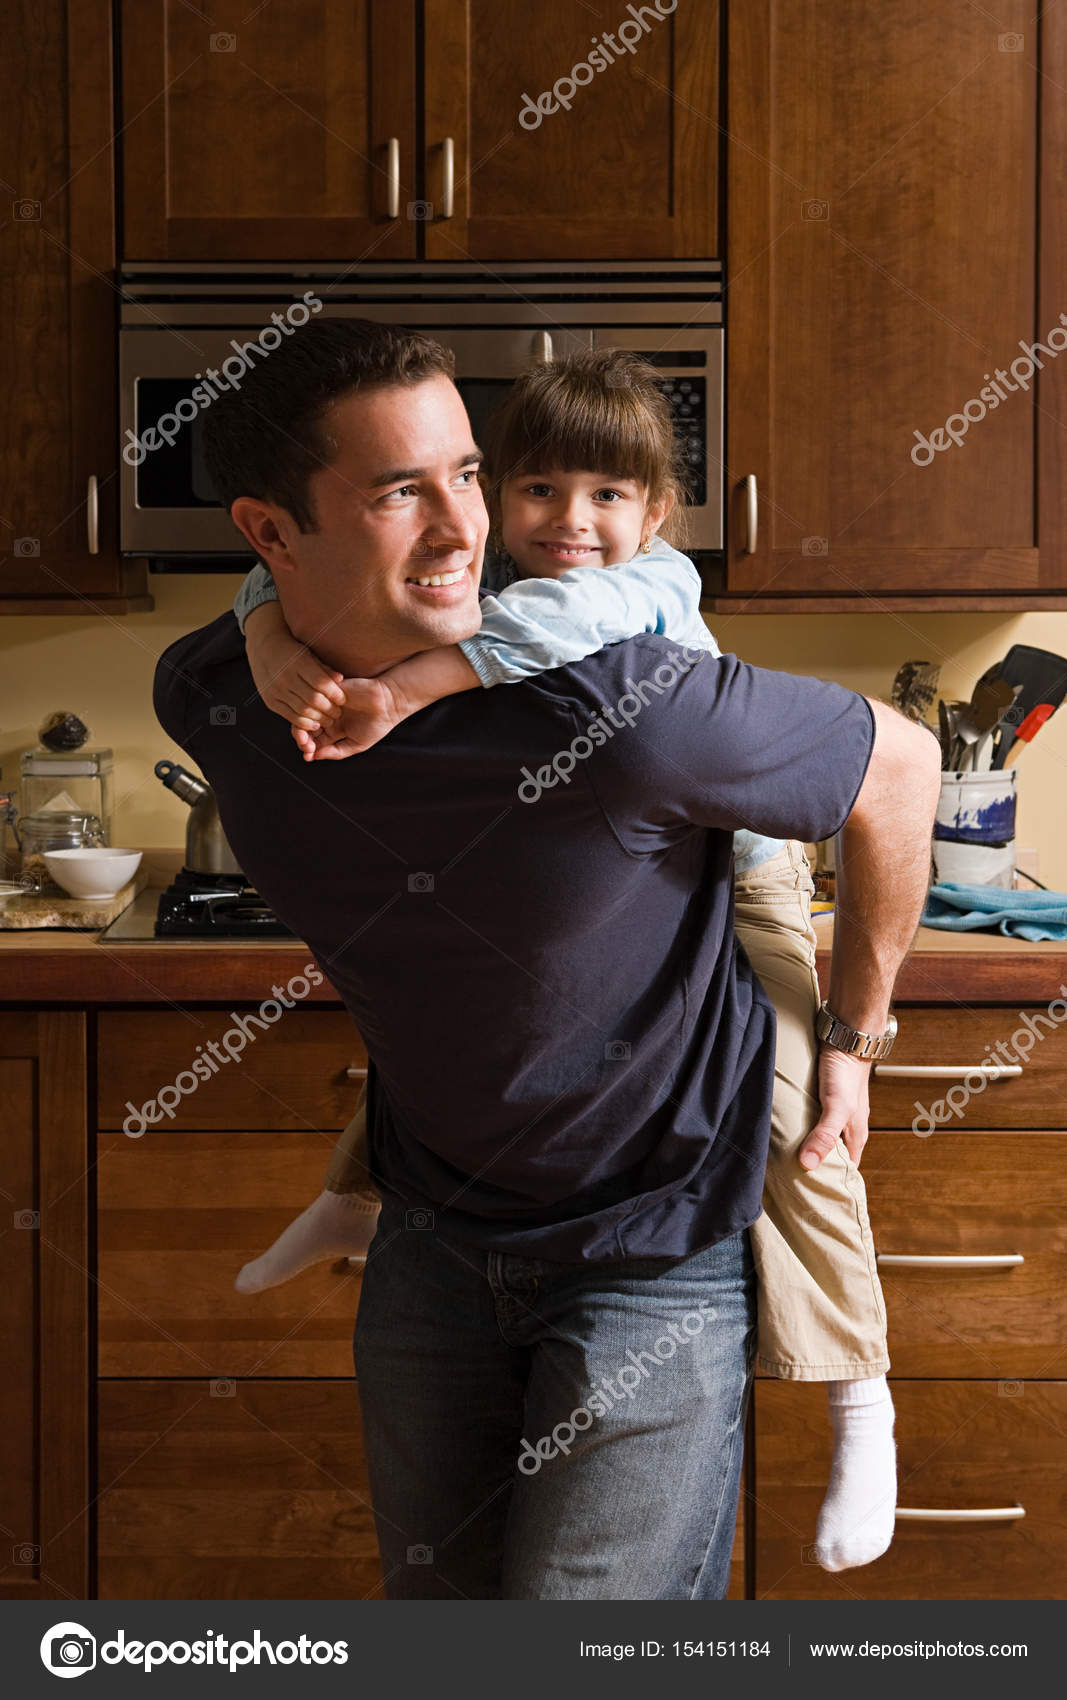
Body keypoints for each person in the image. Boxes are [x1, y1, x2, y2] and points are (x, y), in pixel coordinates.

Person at [153, 320, 940, 1600]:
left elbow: (899, 771)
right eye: (401, 489)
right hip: (431, 1241)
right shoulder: (219, 696)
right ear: (269, 532)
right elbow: (225, 647)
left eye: (466, 472)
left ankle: (859, 1395)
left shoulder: (617, 704)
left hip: (652, 1249)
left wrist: (853, 1041)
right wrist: (267, 646)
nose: (465, 530)